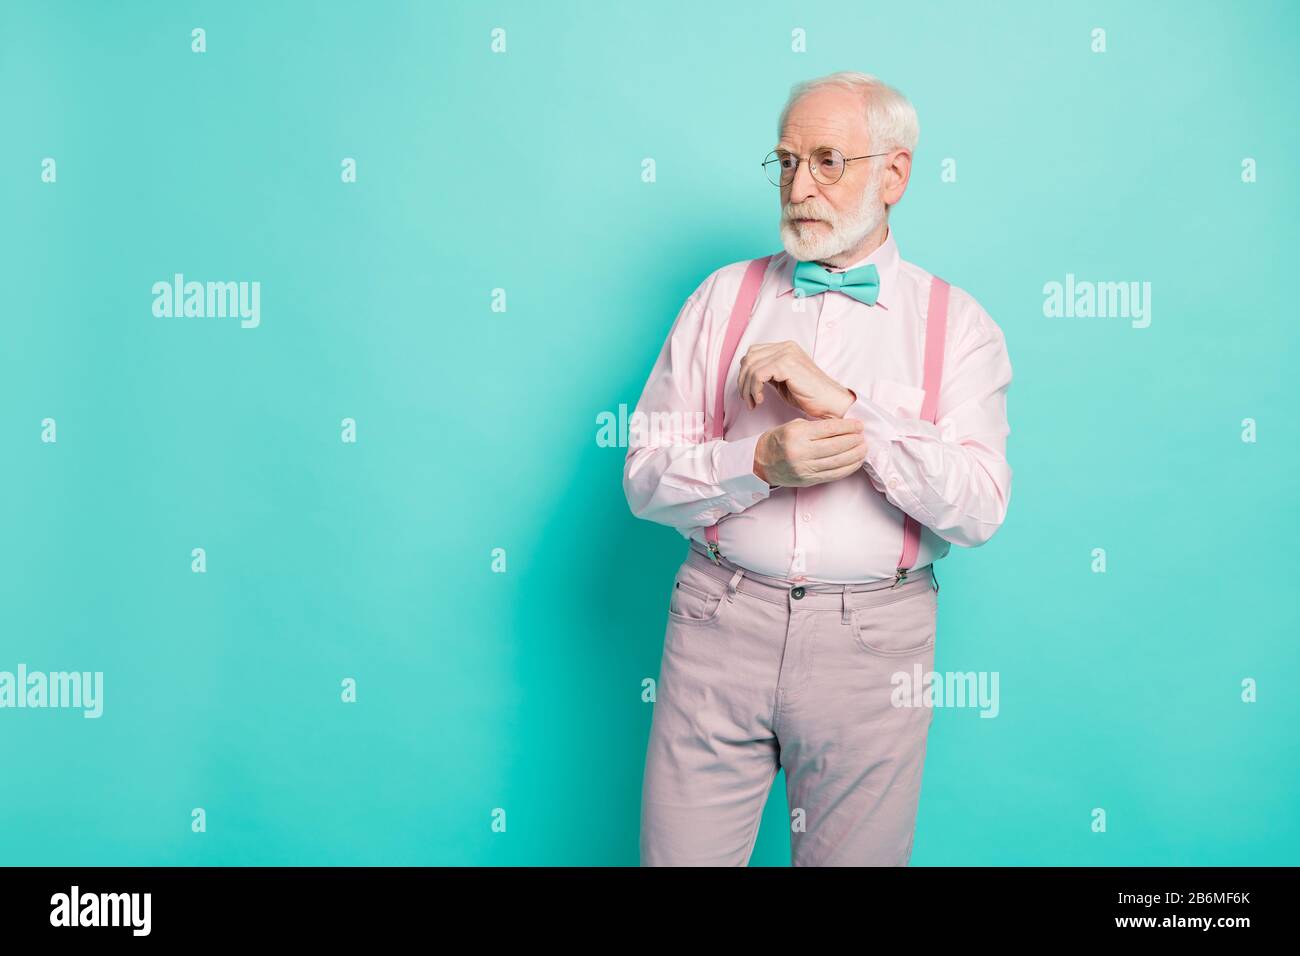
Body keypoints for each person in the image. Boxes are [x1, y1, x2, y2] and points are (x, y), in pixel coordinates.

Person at [622, 71, 1013, 866]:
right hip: (716, 621)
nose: (801, 186)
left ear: (894, 174)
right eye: (788, 161)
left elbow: (979, 510)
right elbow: (645, 478)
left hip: (874, 647)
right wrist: (756, 461)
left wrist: (852, 411)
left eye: (829, 161)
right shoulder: (719, 299)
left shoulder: (958, 325)